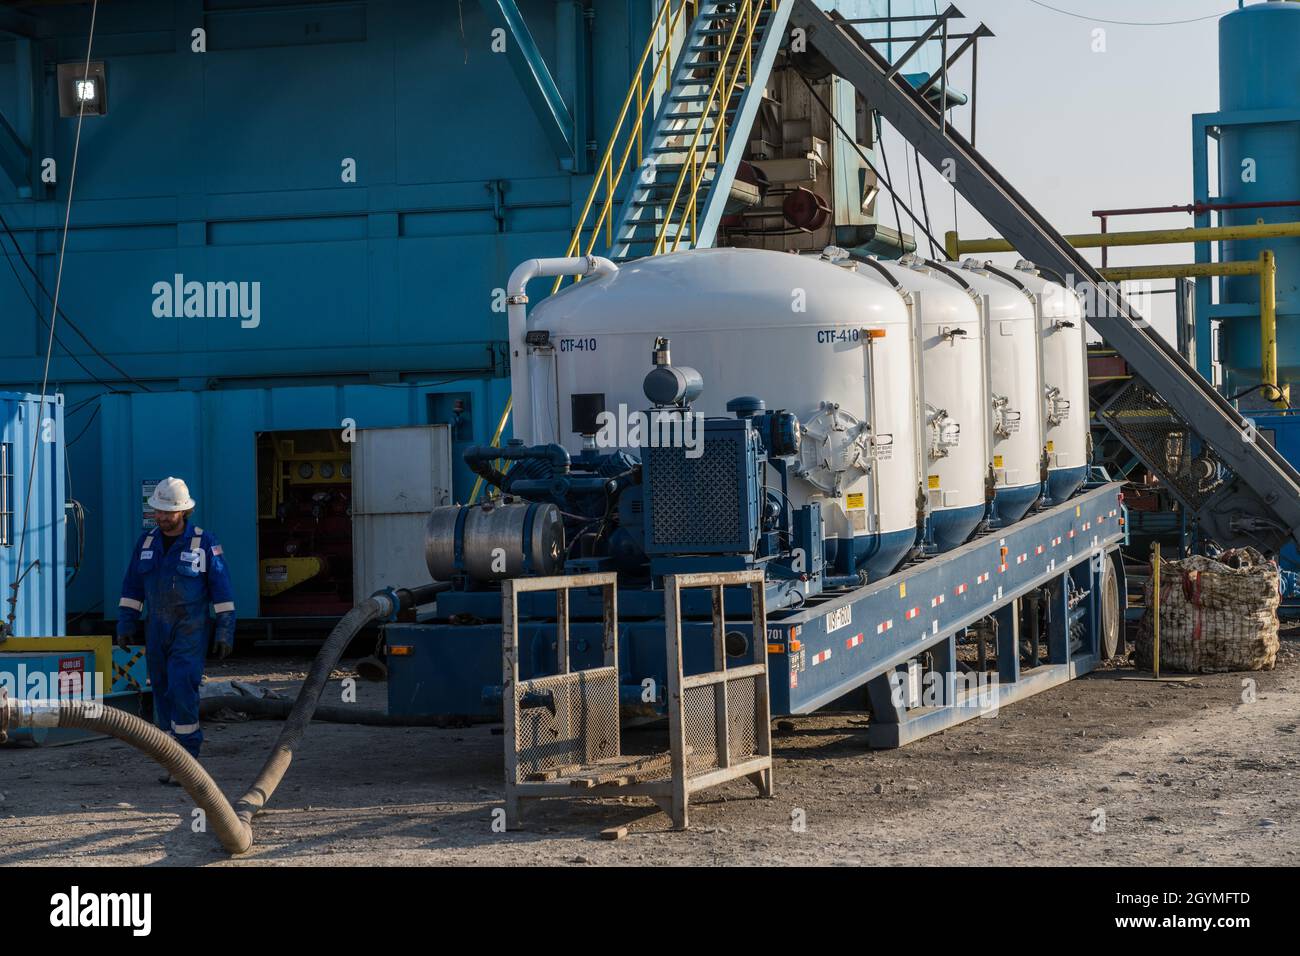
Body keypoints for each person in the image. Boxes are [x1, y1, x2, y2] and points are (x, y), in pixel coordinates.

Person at [115, 476, 235, 776]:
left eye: (168, 512)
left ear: (183, 511)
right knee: (161, 689)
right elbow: (132, 587)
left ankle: (188, 760)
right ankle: (171, 758)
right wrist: (126, 623)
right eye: (158, 511)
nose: (161, 517)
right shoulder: (146, 543)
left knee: (183, 685)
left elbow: (222, 592)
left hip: (190, 629)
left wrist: (224, 630)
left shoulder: (204, 543)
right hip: (156, 628)